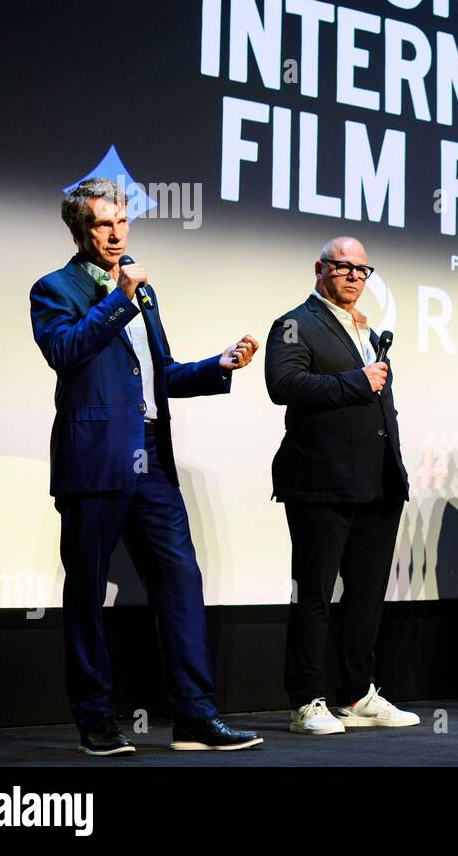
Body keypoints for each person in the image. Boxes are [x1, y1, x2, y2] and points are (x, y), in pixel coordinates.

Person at [30, 177, 262, 755]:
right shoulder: (54, 288)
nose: (115, 233)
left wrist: (220, 365)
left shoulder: (142, 294)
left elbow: (162, 374)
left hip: (152, 458)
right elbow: (64, 351)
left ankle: (193, 716)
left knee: (180, 581)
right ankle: (95, 720)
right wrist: (117, 299)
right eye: (103, 224)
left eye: (122, 221)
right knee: (86, 593)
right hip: (95, 461)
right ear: (80, 230)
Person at [265, 237, 419, 733]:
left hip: (376, 484)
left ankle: (355, 694)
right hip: (320, 481)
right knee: (314, 592)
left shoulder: (366, 331)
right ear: (320, 268)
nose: (354, 276)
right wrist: (357, 380)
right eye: (343, 267)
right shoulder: (295, 323)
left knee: (366, 594)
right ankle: (306, 700)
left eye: (362, 269)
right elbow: (282, 386)